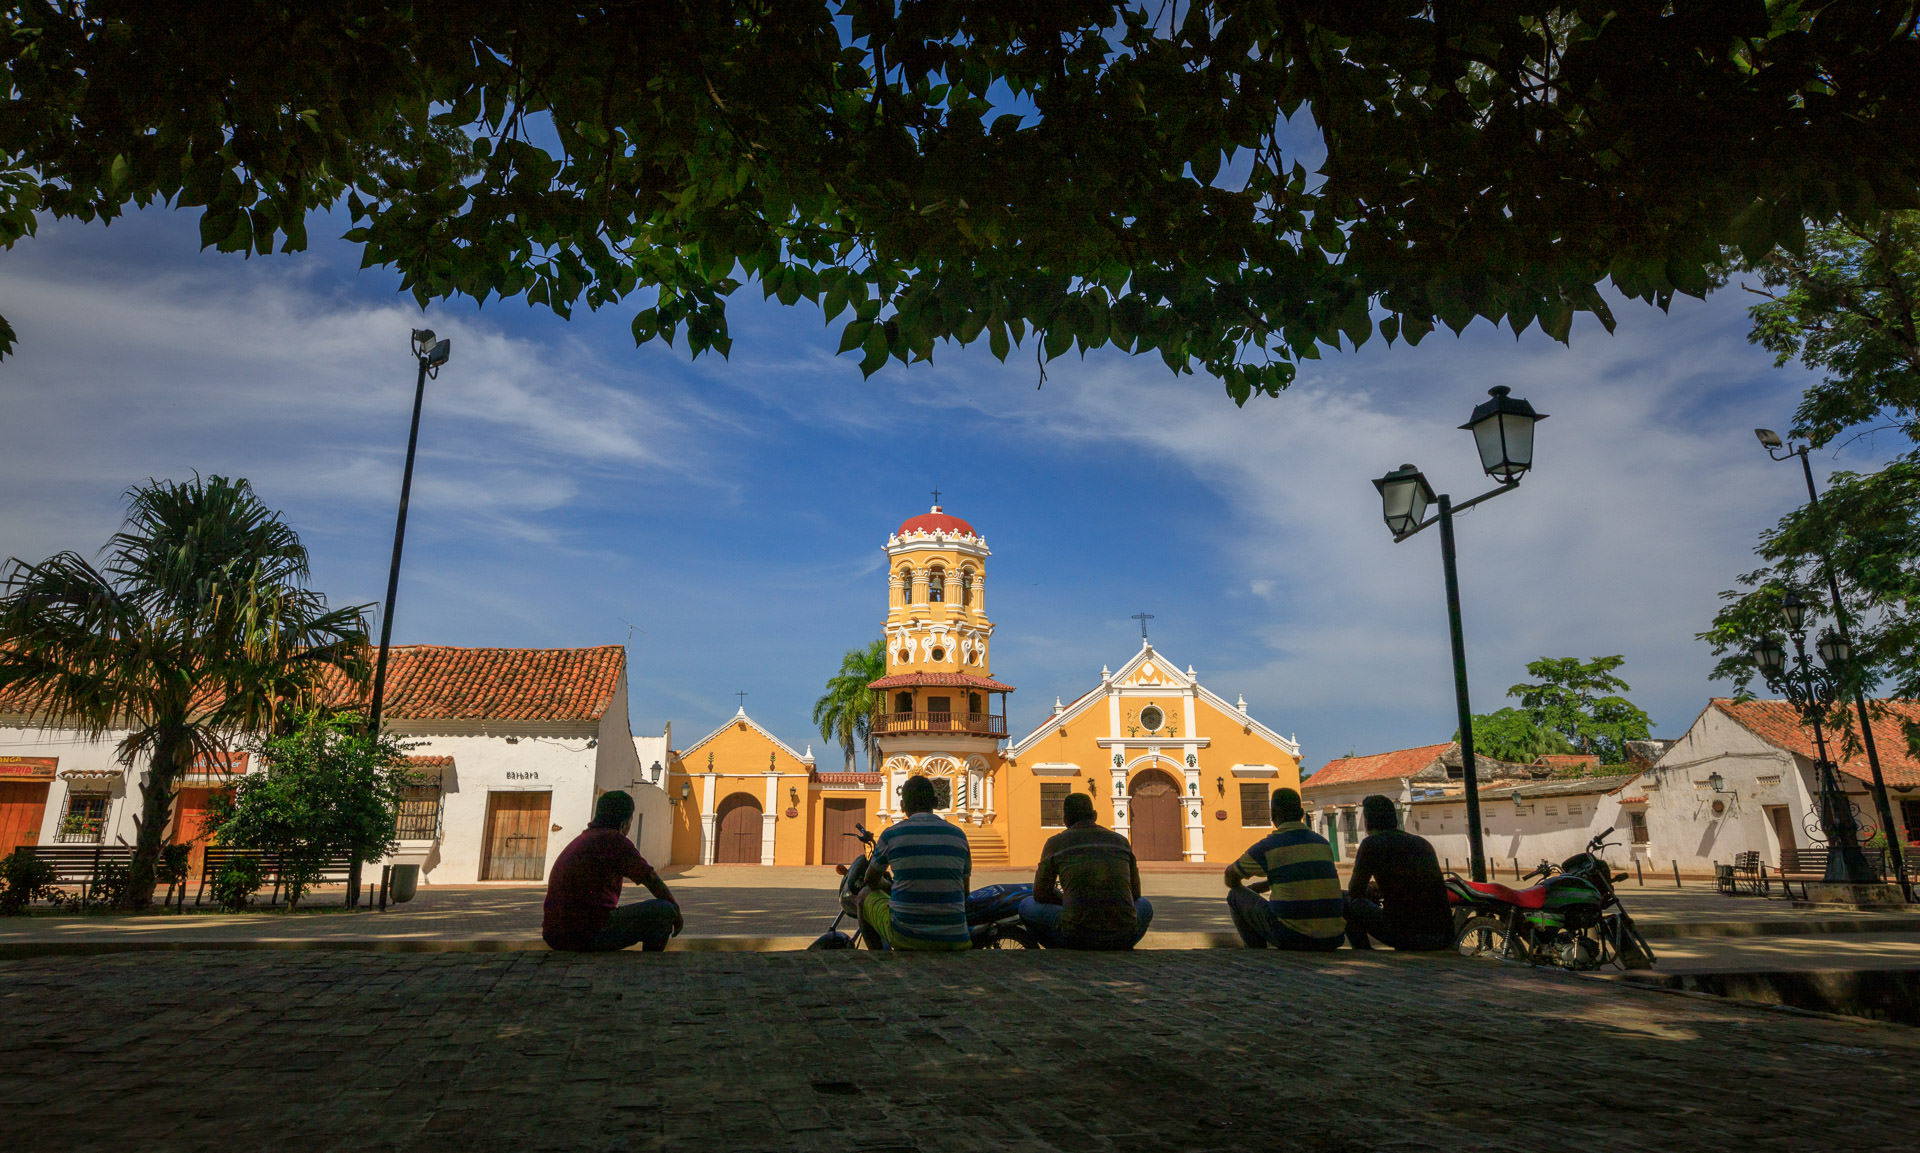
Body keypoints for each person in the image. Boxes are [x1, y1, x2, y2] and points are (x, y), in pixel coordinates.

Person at [542, 790, 683, 952]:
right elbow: (649, 877)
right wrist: (675, 908)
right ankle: (650, 963)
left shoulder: (585, 838)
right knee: (663, 910)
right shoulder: (614, 841)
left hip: (555, 934)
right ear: (625, 822)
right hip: (586, 934)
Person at [1018, 792, 1154, 949]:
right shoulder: (1121, 842)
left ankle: (1057, 948)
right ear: (1095, 815)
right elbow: (1136, 895)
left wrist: (1064, 900)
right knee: (1145, 905)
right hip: (1123, 935)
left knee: (1026, 905)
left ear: (1065, 819)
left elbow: (1040, 894)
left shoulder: (1056, 843)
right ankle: (1120, 943)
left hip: (1077, 936)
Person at [1222, 786, 1346, 951]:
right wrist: (1271, 882)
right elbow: (1303, 873)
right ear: (1302, 813)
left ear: (1273, 814)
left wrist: (1248, 888)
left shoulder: (1267, 847)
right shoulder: (1321, 843)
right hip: (1333, 938)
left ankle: (1254, 951)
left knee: (1236, 895)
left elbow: (1230, 876)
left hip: (1292, 936)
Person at [858, 775, 972, 950]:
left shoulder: (891, 835)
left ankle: (878, 957)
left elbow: (870, 880)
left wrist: (887, 885)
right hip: (955, 937)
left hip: (906, 936)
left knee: (864, 895)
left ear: (903, 806)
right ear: (935, 802)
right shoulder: (958, 835)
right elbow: (964, 892)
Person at [1344, 794, 1453, 951]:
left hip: (1405, 933)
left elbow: (1355, 891)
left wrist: (1371, 890)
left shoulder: (1372, 844)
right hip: (1442, 933)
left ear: (1368, 821)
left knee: (1347, 903)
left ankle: (1364, 953)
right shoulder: (1421, 843)